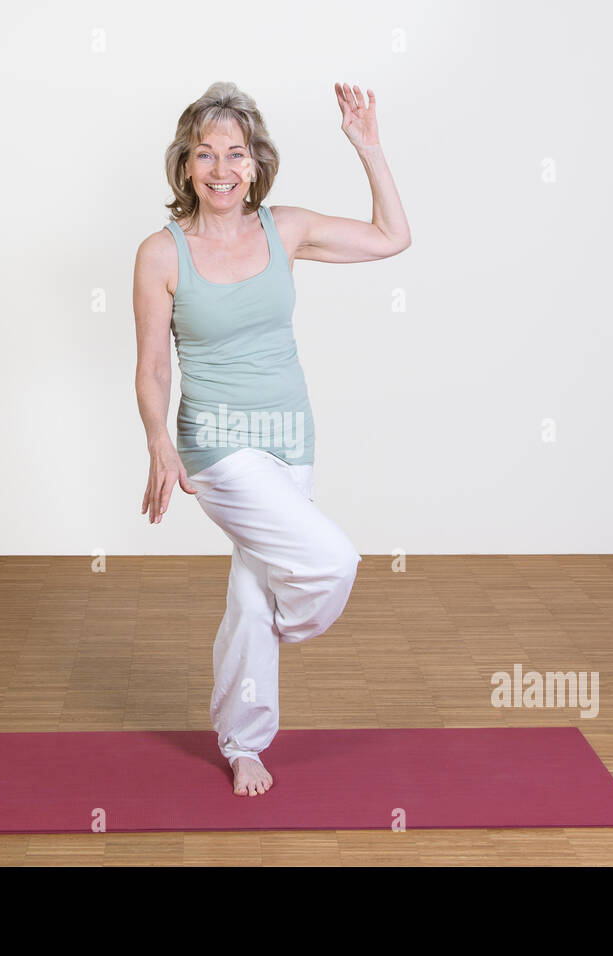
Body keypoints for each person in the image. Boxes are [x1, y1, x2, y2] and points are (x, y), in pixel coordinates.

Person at [132, 81, 411, 796]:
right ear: (185, 165)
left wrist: (368, 146)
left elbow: (391, 237)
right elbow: (154, 365)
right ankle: (286, 629)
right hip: (217, 446)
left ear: (255, 164)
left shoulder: (284, 229)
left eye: (234, 153)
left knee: (254, 596)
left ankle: (243, 743)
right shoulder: (162, 255)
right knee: (332, 560)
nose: (220, 169)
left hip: (292, 438)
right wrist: (159, 443)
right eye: (204, 154)